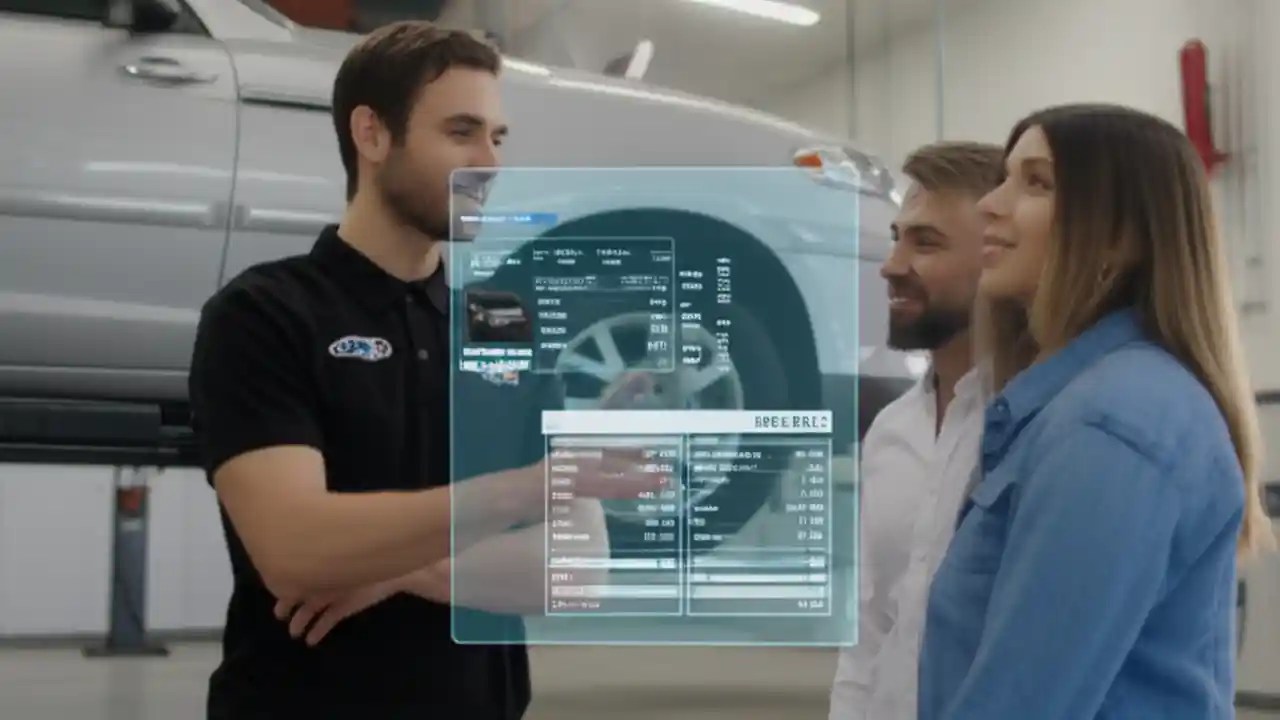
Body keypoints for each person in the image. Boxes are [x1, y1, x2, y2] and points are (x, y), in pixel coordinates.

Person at [189, 22, 656, 719]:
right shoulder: (265, 313)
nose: (489, 163)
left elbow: (578, 569)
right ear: (372, 134)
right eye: (461, 132)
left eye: (497, 138)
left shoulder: (500, 323)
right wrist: (526, 490)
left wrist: (396, 570)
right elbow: (295, 549)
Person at [917, 103, 1275, 720]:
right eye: (1004, 178)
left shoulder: (1110, 423)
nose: (990, 205)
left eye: (1036, 183)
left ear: (1121, 236)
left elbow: (1023, 703)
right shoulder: (1091, 404)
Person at [829, 141, 1004, 719]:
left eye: (925, 243)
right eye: (897, 237)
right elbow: (870, 638)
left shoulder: (1039, 428)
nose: (891, 265)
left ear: (999, 255)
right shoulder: (891, 432)